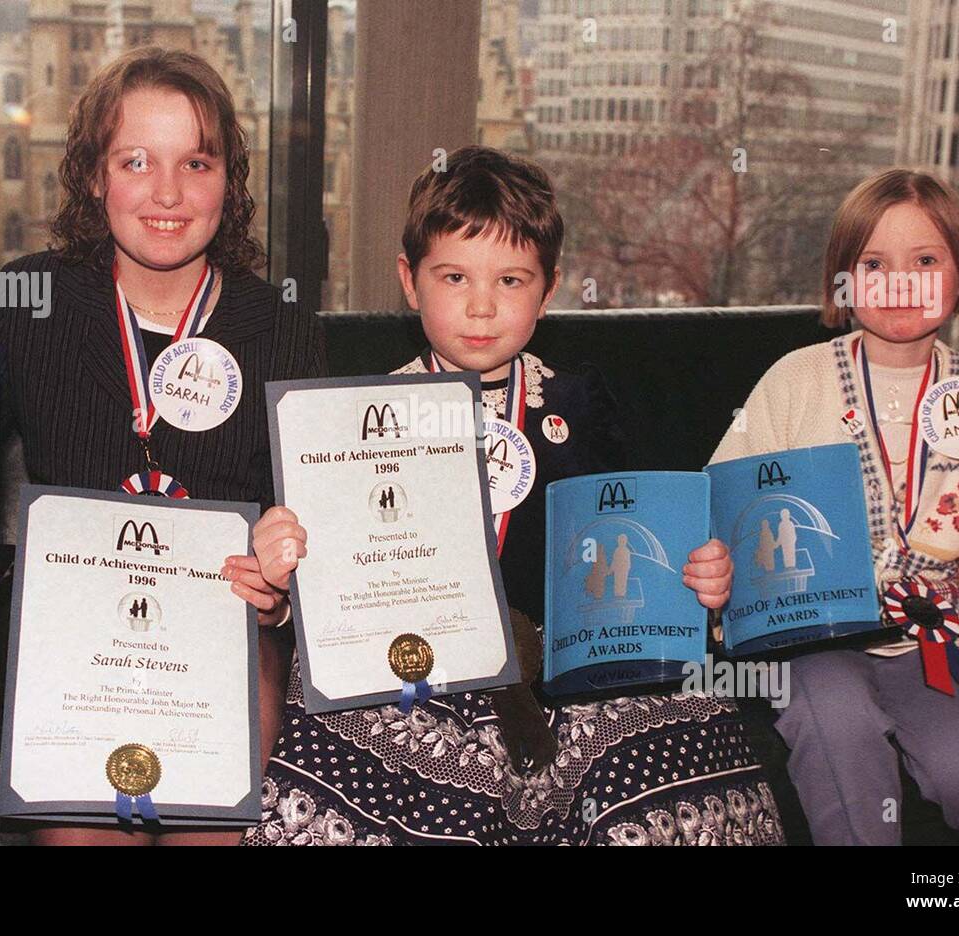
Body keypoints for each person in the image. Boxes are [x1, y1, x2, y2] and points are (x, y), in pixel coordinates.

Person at [0, 46, 323, 845]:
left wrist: (281, 586)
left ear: (229, 181)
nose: (169, 193)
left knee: (219, 806)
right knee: (80, 830)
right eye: (136, 160)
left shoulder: (282, 327)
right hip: (65, 635)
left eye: (197, 163)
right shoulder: (29, 302)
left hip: (222, 634)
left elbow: (324, 525)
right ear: (92, 176)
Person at [243, 146, 786, 846]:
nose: (480, 304)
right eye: (453, 277)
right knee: (334, 739)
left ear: (548, 289)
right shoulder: (356, 420)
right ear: (410, 282)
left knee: (671, 746)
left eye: (510, 279)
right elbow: (328, 592)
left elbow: (640, 552)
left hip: (569, 671)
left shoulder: (581, 405)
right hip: (415, 671)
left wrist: (697, 584)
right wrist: (286, 570)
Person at [710, 168, 959, 845]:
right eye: (874, 263)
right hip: (811, 638)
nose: (900, 282)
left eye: (925, 261)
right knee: (834, 718)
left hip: (933, 643)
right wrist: (717, 573)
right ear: (841, 281)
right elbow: (725, 506)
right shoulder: (795, 381)